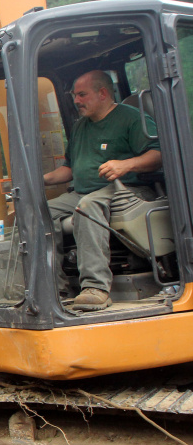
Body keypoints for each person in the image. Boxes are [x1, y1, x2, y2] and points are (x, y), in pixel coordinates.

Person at [43, 70, 162, 311]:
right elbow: (69, 169)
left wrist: (126, 164)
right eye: (75, 95)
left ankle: (96, 287)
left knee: (86, 207)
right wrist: (38, 180)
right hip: (83, 191)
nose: (76, 100)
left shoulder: (130, 118)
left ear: (103, 93)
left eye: (82, 94)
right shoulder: (80, 128)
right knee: (39, 209)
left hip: (126, 189)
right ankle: (54, 285)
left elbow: (159, 154)